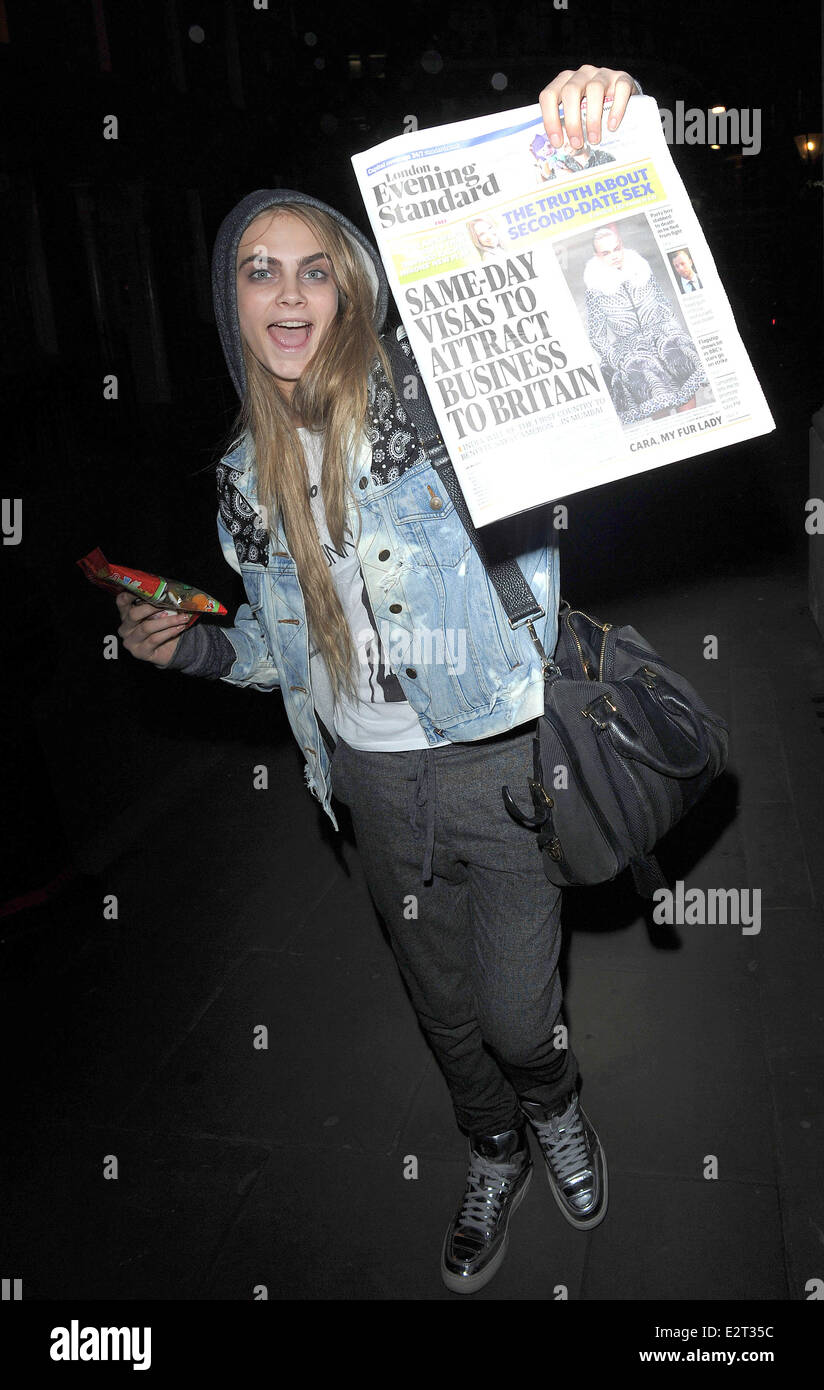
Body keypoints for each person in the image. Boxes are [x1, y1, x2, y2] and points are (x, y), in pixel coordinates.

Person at [116, 65, 640, 1296]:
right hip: (364, 778)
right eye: (259, 269)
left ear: (352, 286)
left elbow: (565, 326)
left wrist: (592, 137)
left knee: (519, 1016)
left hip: (496, 755)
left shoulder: (439, 402)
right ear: (231, 302)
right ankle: (491, 1146)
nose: (287, 292)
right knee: (444, 1009)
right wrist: (187, 645)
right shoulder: (245, 475)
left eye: (313, 267)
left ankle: (554, 1103)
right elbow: (274, 643)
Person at [584, 224, 707, 423]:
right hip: (634, 354)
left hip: (664, 339)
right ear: (597, 256)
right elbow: (597, 336)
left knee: (688, 405)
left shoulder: (642, 270)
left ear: (621, 245)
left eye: (616, 249)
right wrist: (617, 360)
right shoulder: (595, 290)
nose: (614, 256)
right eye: (606, 253)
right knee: (660, 409)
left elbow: (665, 308)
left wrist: (674, 333)